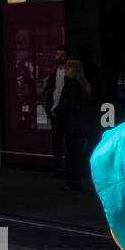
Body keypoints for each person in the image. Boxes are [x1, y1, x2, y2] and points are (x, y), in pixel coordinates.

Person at [53, 59, 92, 191]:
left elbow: (70, 102)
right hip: (81, 122)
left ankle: (72, 182)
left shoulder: (71, 83)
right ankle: (75, 180)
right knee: (76, 152)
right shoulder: (83, 83)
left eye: (68, 68)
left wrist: (58, 109)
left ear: (73, 70)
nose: (65, 70)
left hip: (73, 122)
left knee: (72, 152)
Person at [43, 44, 69, 175]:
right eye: (58, 54)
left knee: (65, 141)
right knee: (57, 141)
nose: (59, 57)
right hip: (55, 111)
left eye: (62, 55)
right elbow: (50, 89)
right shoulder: (53, 71)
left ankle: (65, 166)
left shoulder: (68, 71)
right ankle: (58, 166)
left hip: (65, 111)